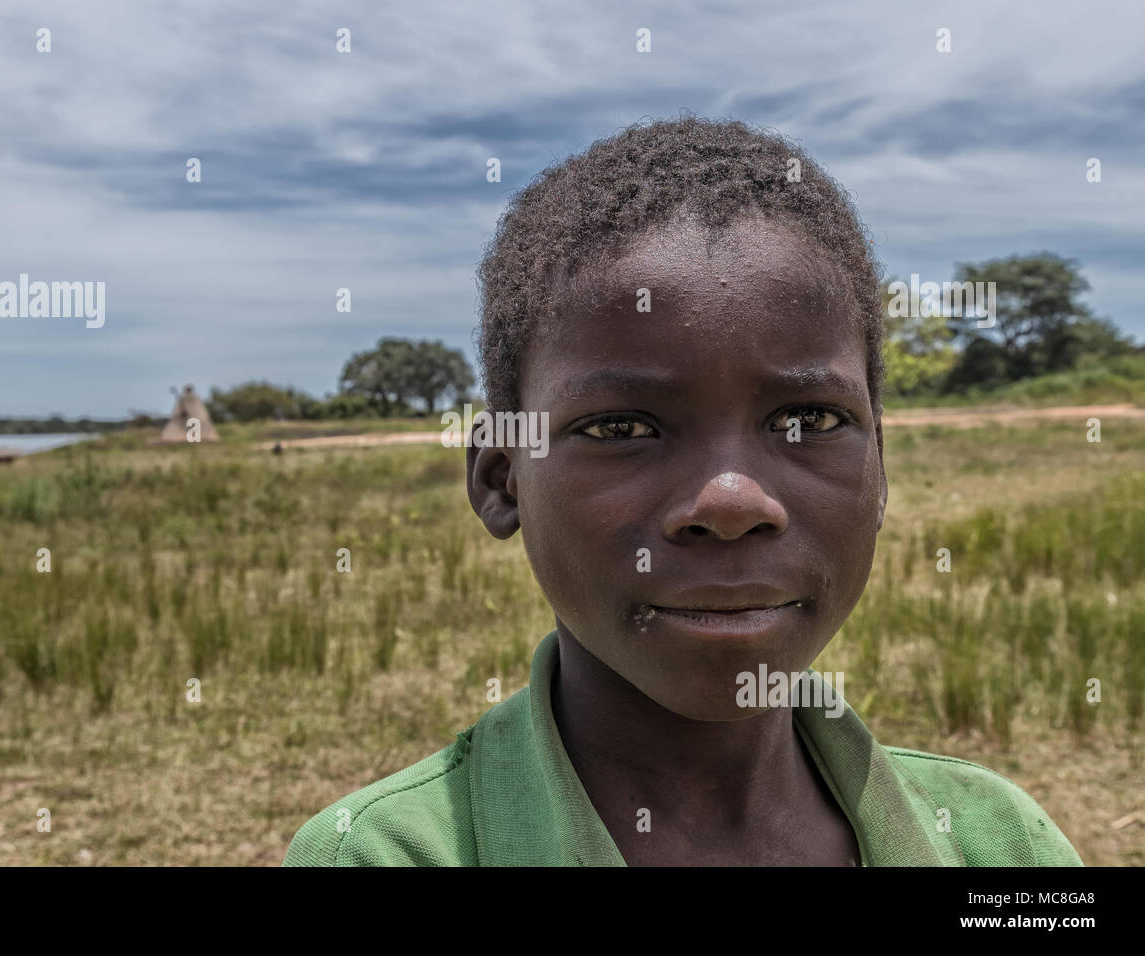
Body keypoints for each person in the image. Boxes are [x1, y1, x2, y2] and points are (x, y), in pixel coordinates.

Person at [282, 115, 1082, 866]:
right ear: (501, 478)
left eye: (808, 418)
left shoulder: (999, 844)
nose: (730, 502)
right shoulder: (380, 855)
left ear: (880, 469)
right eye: (621, 429)